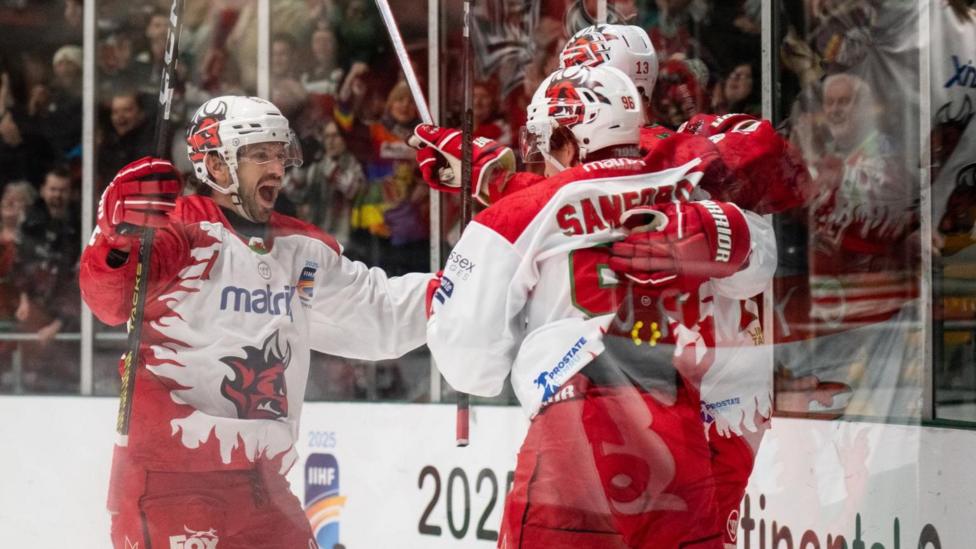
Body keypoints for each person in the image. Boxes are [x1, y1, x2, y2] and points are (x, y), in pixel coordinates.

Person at [424, 64, 777, 549]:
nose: (540, 160)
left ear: (570, 140)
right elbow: (754, 252)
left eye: (544, 142)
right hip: (677, 428)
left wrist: (444, 297)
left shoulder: (514, 215)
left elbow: (470, 366)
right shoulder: (689, 184)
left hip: (575, 430)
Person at [79, 95, 431, 548]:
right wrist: (115, 239)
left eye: (280, 154)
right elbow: (110, 301)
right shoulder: (176, 231)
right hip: (170, 485)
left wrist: (475, 282)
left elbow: (381, 313)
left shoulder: (301, 249)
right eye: (260, 154)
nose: (277, 167)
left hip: (263, 486)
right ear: (216, 165)